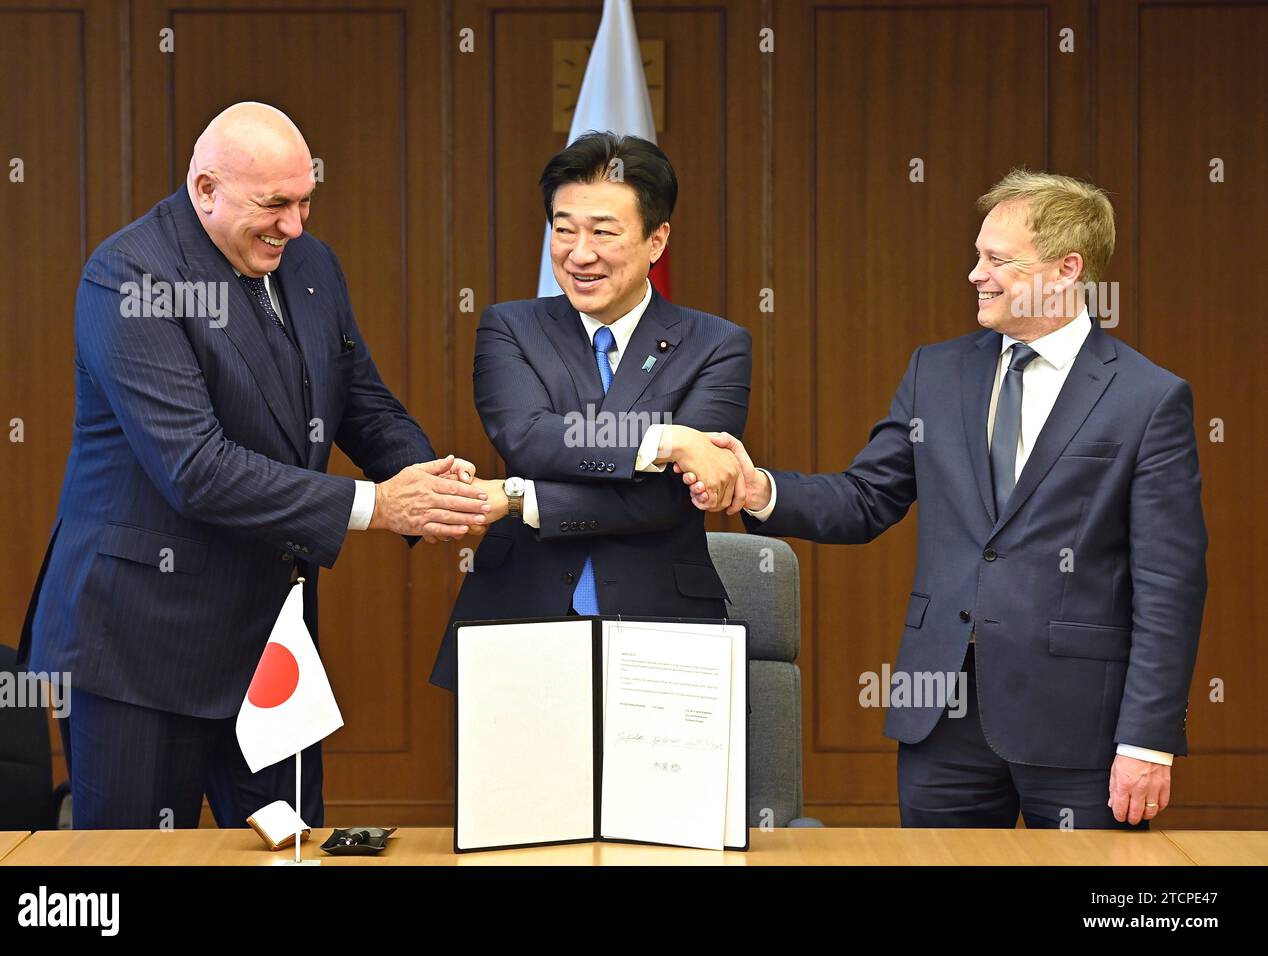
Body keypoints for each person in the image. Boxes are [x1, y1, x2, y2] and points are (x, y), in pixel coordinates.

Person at [686, 169, 1207, 829]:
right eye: (977, 256)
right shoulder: (937, 370)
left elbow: (1171, 585)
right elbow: (866, 499)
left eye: (997, 260)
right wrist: (761, 489)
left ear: (1067, 269)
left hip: (1082, 727)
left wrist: (1147, 740)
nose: (975, 274)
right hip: (940, 715)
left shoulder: (1148, 398)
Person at [18, 102, 490, 829]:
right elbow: (196, 468)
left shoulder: (311, 263)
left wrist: (433, 485)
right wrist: (377, 506)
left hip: (271, 646)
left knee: (291, 849)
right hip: (139, 649)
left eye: (305, 202)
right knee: (127, 867)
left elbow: (361, 402)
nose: (294, 226)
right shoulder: (128, 276)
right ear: (206, 189)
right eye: (275, 205)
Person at [428, 131, 750, 689]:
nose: (580, 253)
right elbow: (529, 437)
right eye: (563, 229)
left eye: (604, 232)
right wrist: (668, 441)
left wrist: (515, 498)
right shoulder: (512, 327)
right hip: (519, 616)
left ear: (657, 239)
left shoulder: (716, 344)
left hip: (665, 628)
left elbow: (669, 498)